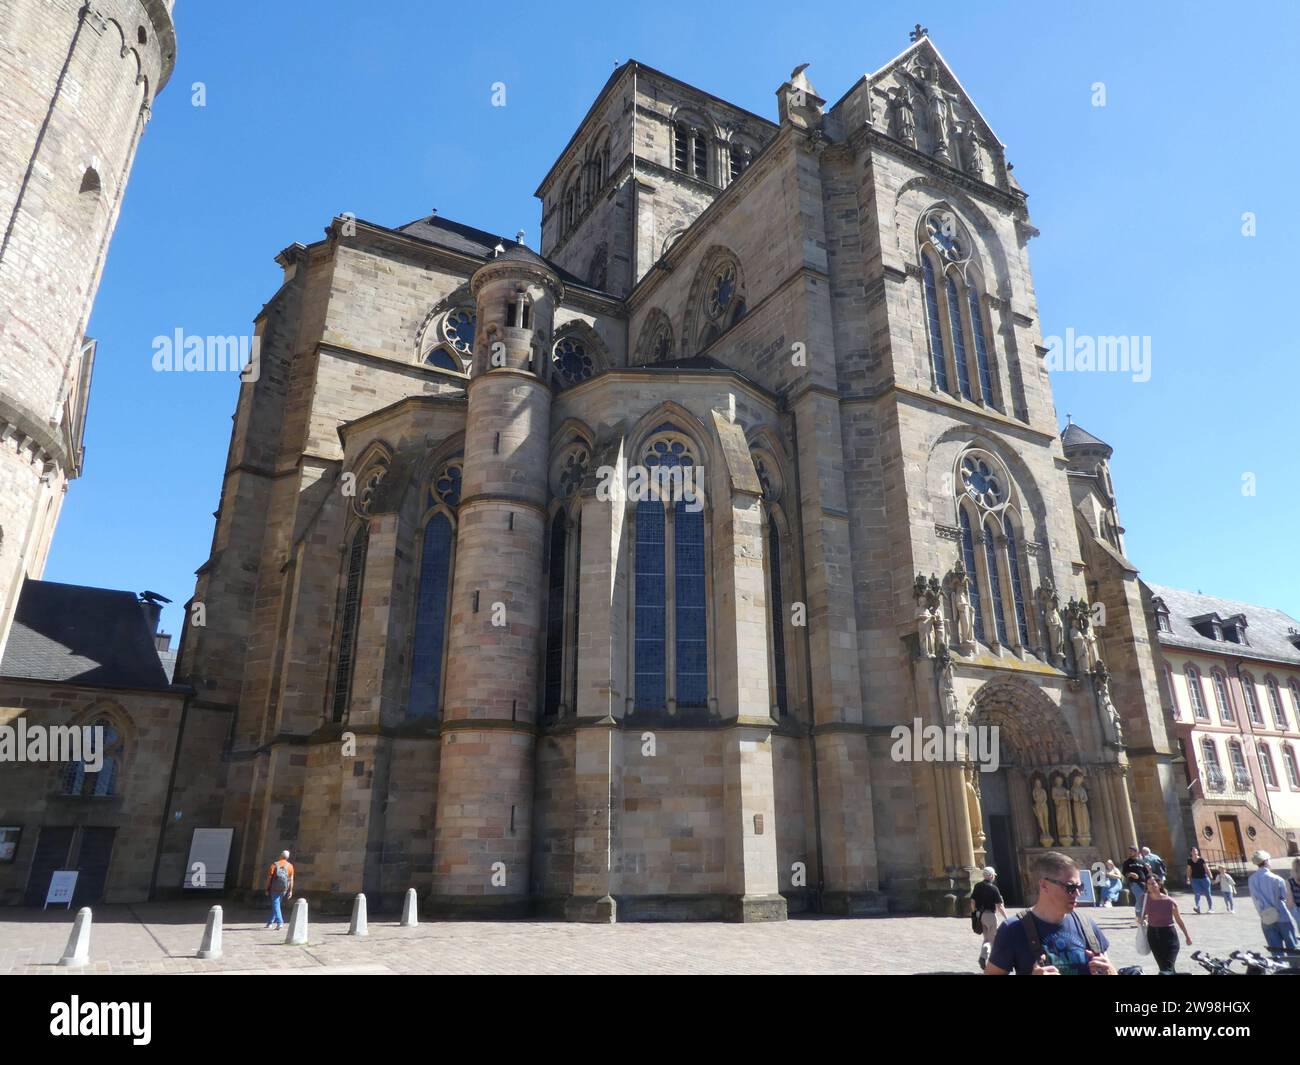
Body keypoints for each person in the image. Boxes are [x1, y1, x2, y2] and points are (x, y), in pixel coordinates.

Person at [985, 851, 1116, 975]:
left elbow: (1109, 967)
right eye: (1070, 887)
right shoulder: (1012, 929)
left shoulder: (1087, 925)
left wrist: (1111, 972)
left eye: (1080, 887)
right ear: (1044, 885)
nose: (1078, 894)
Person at [1247, 850, 1299, 952]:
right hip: (1282, 916)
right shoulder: (1276, 879)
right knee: (1293, 949)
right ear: (1266, 861)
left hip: (1266, 917)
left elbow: (1255, 899)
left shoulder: (1252, 879)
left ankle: (1280, 968)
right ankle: (1294, 967)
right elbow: (1285, 897)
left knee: (1276, 951)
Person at [1141, 875, 1191, 973]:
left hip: (1169, 936)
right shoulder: (1144, 899)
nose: (1151, 886)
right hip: (1153, 935)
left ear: (1159, 884)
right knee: (1165, 968)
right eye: (1148, 884)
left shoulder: (1169, 901)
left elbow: (1179, 920)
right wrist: (1140, 919)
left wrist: (1187, 936)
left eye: (1153, 883)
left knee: (1166, 968)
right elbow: (1140, 915)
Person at [970, 866, 1008, 969]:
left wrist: (975, 913)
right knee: (991, 940)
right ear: (991, 876)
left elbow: (972, 902)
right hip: (990, 915)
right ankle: (984, 958)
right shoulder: (993, 888)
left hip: (980, 915)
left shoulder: (977, 886)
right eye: (994, 875)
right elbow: (1000, 906)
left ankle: (983, 957)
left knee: (987, 938)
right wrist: (1006, 917)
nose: (994, 877)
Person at [265, 849, 295, 930]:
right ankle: (270, 922)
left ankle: (280, 922)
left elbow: (269, 878)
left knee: (276, 904)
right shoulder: (290, 866)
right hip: (284, 889)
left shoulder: (274, 865)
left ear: (281, 855)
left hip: (274, 888)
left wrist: (267, 888)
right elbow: (291, 879)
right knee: (276, 905)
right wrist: (290, 890)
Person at [1122, 846, 1149, 918]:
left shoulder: (1141, 862)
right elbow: (1124, 873)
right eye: (1129, 851)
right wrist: (1130, 874)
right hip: (1134, 883)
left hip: (1143, 883)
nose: (1130, 852)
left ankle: (1144, 914)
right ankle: (1139, 915)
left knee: (1145, 898)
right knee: (1140, 897)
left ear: (1136, 852)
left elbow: (1146, 873)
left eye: (1132, 851)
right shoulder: (1127, 862)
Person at [1187, 846, 1213, 913]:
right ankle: (1198, 907)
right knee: (1197, 893)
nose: (1195, 852)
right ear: (1191, 852)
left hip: (1204, 878)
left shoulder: (1201, 860)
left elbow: (1206, 868)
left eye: (1195, 851)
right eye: (1193, 851)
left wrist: (1210, 876)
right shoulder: (1189, 860)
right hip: (1195, 879)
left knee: (1207, 894)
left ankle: (1210, 908)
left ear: (1197, 852)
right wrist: (1188, 879)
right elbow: (1189, 870)